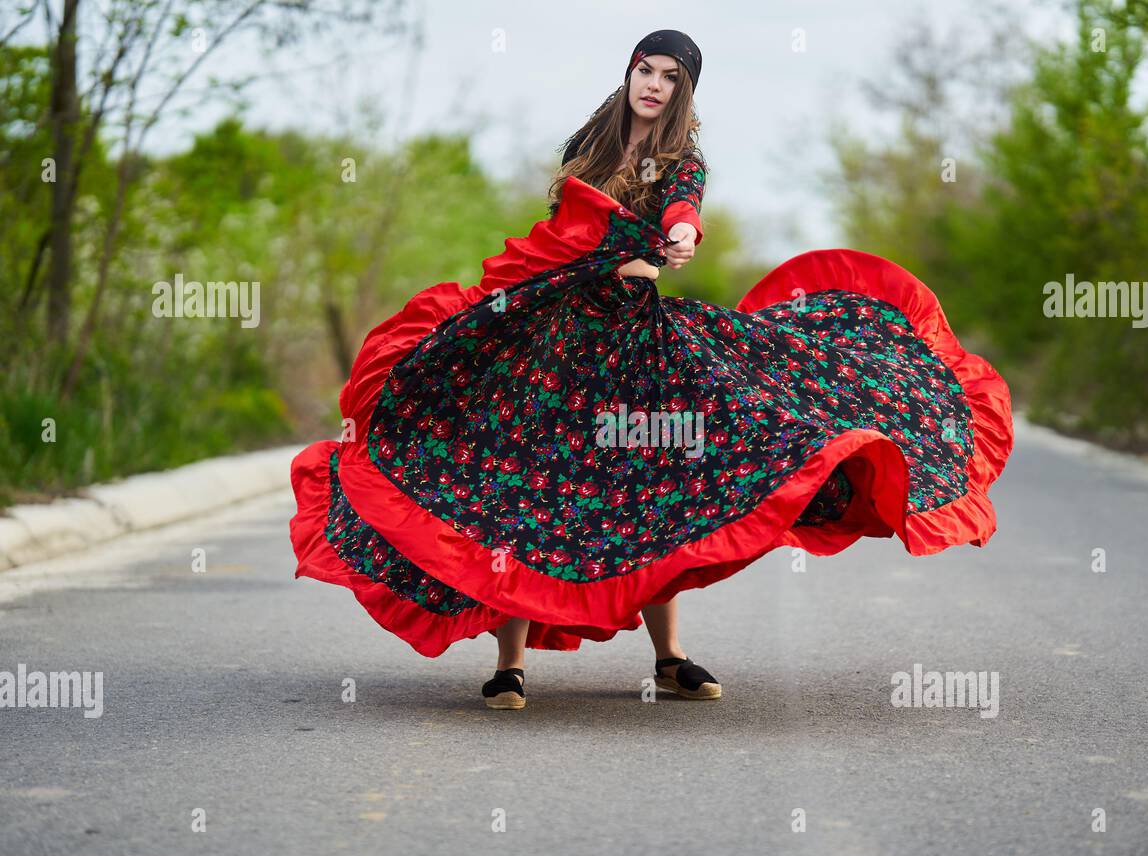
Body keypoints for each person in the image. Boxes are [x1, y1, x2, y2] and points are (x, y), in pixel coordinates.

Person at [287, 29, 1015, 712]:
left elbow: (680, 214)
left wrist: (680, 233)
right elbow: (565, 236)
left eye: (673, 77)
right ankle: (508, 663)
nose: (655, 85)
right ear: (630, 70)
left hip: (635, 350)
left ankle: (669, 658)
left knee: (650, 492)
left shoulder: (683, 163)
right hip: (554, 347)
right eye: (647, 69)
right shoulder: (588, 143)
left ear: (685, 92)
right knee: (520, 485)